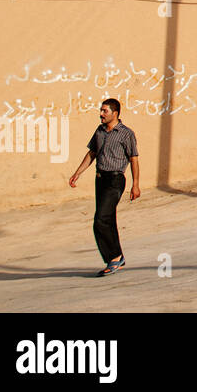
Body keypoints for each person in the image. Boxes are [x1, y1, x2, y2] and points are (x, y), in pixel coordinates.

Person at [68, 98, 140, 276]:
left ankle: (114, 257)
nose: (101, 114)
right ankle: (117, 257)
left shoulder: (126, 134)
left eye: (104, 111)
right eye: (101, 110)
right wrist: (78, 172)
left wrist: (135, 185)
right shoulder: (99, 131)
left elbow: (134, 159)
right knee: (107, 220)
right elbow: (92, 153)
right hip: (100, 179)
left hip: (116, 180)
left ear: (115, 113)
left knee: (101, 219)